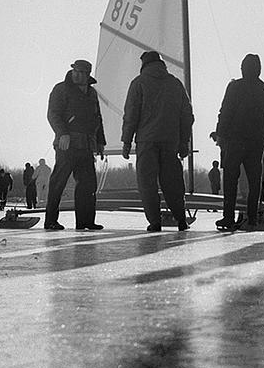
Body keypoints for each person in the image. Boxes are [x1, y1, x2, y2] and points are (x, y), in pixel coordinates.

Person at [121, 50, 194, 232]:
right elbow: (187, 116)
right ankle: (180, 219)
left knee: (147, 183)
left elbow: (131, 115)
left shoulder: (138, 83)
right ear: (162, 64)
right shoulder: (176, 84)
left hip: (147, 142)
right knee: (173, 183)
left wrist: (127, 141)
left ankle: (155, 222)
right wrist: (184, 142)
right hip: (171, 142)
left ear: (143, 65)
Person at [213, 53, 264, 231]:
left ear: (243, 68)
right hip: (256, 143)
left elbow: (225, 112)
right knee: (255, 181)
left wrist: (221, 135)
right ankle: (253, 218)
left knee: (230, 180)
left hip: (235, 141)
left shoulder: (235, 88)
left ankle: (228, 217)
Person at [44, 59, 106, 231]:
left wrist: (100, 141)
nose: (76, 74)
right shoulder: (61, 89)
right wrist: (62, 133)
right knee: (58, 182)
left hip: (86, 145)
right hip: (67, 145)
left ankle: (85, 222)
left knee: (88, 185)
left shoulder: (92, 93)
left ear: (87, 75)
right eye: (75, 71)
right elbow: (53, 114)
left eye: (81, 72)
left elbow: (98, 119)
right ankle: (50, 221)